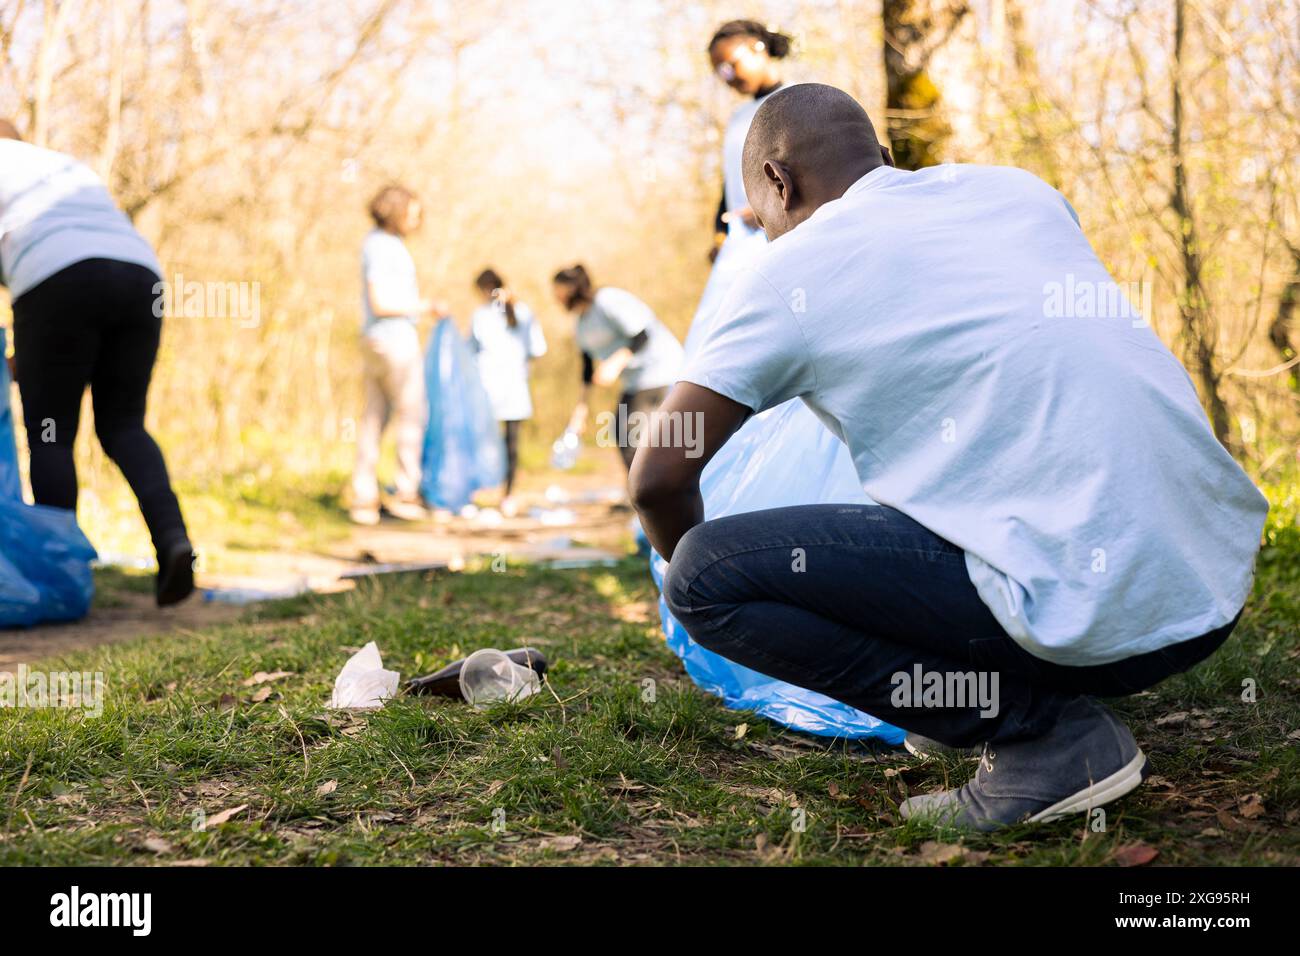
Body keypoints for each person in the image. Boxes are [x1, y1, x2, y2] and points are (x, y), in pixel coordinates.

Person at [630, 84, 1269, 831]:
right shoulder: (1017, 192)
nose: (767, 231)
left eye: (760, 211)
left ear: (777, 180)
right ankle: (968, 684)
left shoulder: (788, 271)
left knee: (705, 574)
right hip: (1206, 585)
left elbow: (659, 475)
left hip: (1093, 617)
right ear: (886, 160)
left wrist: (686, 586)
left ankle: (1040, 734)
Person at [0, 119, 195, 606]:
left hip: (54, 279)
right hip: (139, 276)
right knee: (125, 424)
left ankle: (62, 578)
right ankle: (173, 540)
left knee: (51, 432)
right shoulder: (63, 166)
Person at [351, 184, 445, 525]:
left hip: (376, 341)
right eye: (413, 213)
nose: (416, 221)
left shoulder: (381, 244)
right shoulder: (382, 246)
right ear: (395, 210)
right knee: (412, 414)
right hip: (393, 340)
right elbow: (380, 302)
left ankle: (364, 499)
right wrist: (424, 306)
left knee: (374, 417)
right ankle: (405, 493)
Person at [552, 265, 683, 472]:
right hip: (636, 380)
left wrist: (615, 362)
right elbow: (587, 369)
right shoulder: (581, 323)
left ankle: (647, 496)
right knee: (623, 433)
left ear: (571, 288)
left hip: (661, 369)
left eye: (557, 290)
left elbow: (643, 334)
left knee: (630, 435)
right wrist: (581, 410)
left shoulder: (607, 301)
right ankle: (641, 494)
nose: (555, 297)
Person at [469, 268, 547, 517]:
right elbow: (538, 348)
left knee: (484, 442)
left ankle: (483, 489)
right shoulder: (523, 312)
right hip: (515, 388)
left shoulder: (481, 316)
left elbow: (468, 350)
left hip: (487, 388)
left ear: (483, 290)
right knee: (511, 444)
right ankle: (507, 495)